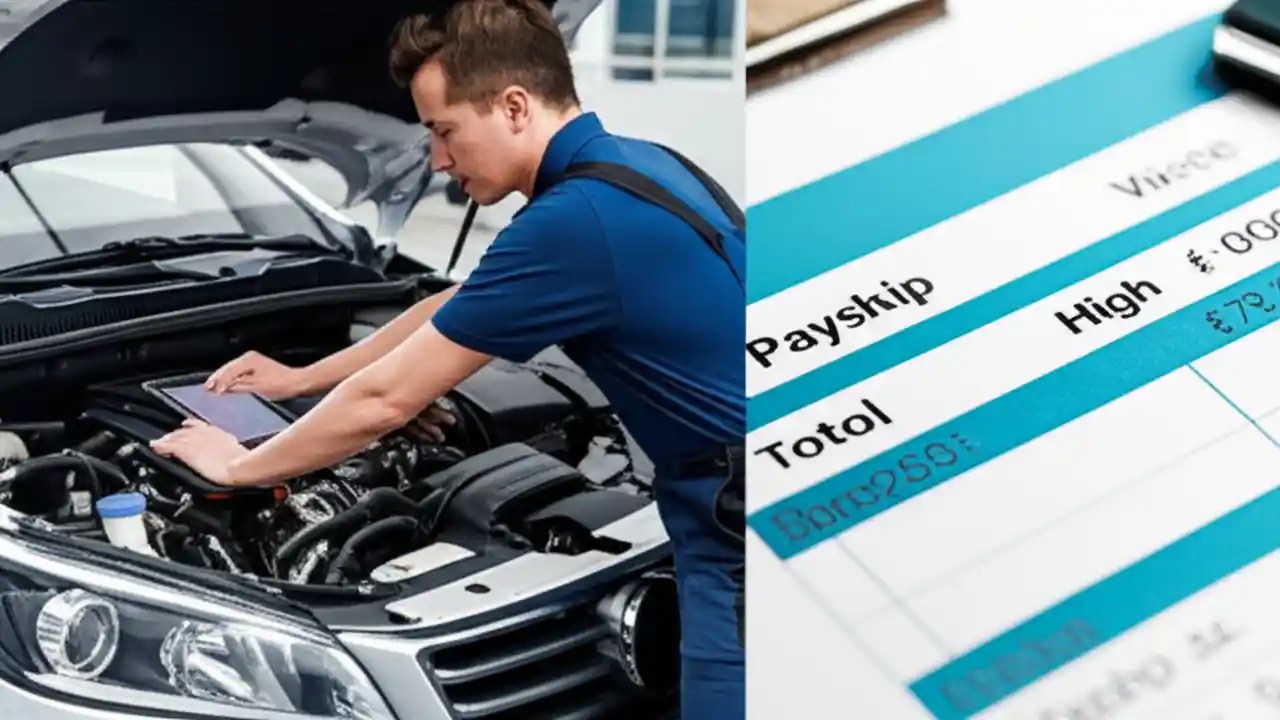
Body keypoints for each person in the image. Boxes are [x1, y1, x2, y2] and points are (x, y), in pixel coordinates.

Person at [149, 1, 746, 717]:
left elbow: (384, 403)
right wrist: (303, 378)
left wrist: (239, 466)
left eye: (443, 130)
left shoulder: (572, 224)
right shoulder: (639, 166)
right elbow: (454, 306)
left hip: (733, 525)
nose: (436, 159)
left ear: (515, 107)